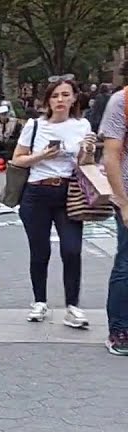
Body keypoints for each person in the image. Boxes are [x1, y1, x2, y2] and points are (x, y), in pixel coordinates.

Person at [11, 78, 97, 328]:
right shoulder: (35, 125)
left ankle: (73, 306)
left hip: (68, 192)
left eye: (65, 95)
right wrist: (42, 155)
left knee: (72, 250)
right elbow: (17, 160)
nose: (60, 100)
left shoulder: (81, 125)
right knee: (40, 251)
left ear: (74, 99)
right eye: (55, 96)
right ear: (48, 100)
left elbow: (85, 163)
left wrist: (88, 151)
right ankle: (39, 301)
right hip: (37, 192)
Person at [98, 80, 128, 356]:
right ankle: (119, 330)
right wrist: (123, 202)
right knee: (127, 263)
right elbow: (111, 155)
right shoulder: (122, 102)